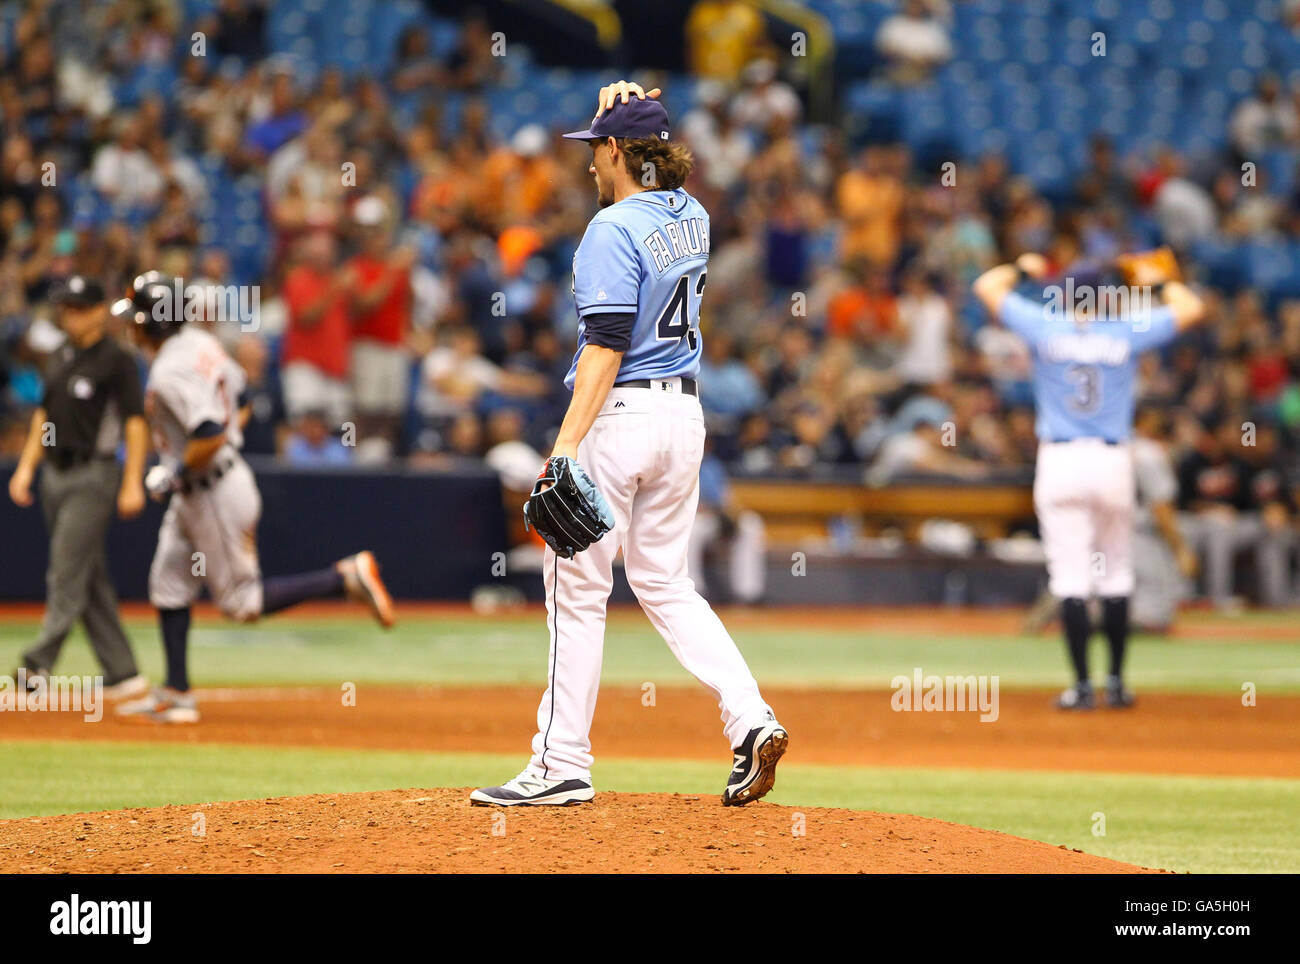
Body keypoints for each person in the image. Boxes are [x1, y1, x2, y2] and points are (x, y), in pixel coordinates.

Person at [470, 82, 787, 808]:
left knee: (575, 590)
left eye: (596, 149)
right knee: (667, 583)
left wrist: (562, 447)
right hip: (684, 420)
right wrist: (635, 110)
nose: (588, 164)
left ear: (616, 151)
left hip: (620, 417)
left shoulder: (609, 230)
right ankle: (751, 719)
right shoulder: (695, 215)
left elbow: (607, 348)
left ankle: (559, 764)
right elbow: (658, 191)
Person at [110, 273, 395, 724]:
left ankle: (344, 577)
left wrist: (174, 473)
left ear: (151, 323)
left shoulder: (169, 369)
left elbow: (209, 431)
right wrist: (199, 459)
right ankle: (177, 693)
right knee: (168, 581)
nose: (130, 328)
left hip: (213, 490)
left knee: (241, 603)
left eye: (136, 320)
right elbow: (240, 395)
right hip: (205, 486)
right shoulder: (200, 344)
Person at [973, 252, 1206, 710]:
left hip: (1060, 460)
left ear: (1064, 294)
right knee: (1116, 573)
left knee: (1070, 577)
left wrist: (1022, 270)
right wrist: (1157, 284)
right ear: (1105, 296)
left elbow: (986, 286)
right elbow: (1192, 307)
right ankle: (1116, 684)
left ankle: (1081, 687)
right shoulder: (1124, 331)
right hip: (1112, 459)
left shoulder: (1044, 326)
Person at [7, 275, 149, 699]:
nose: (68, 315)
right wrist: (26, 468)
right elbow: (43, 416)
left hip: (94, 474)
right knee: (89, 577)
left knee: (66, 569)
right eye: (64, 308)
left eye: (76, 307)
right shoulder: (60, 355)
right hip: (56, 473)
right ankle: (123, 672)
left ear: (97, 311)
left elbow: (135, 422)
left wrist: (132, 482)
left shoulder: (117, 360)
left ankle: (36, 668)